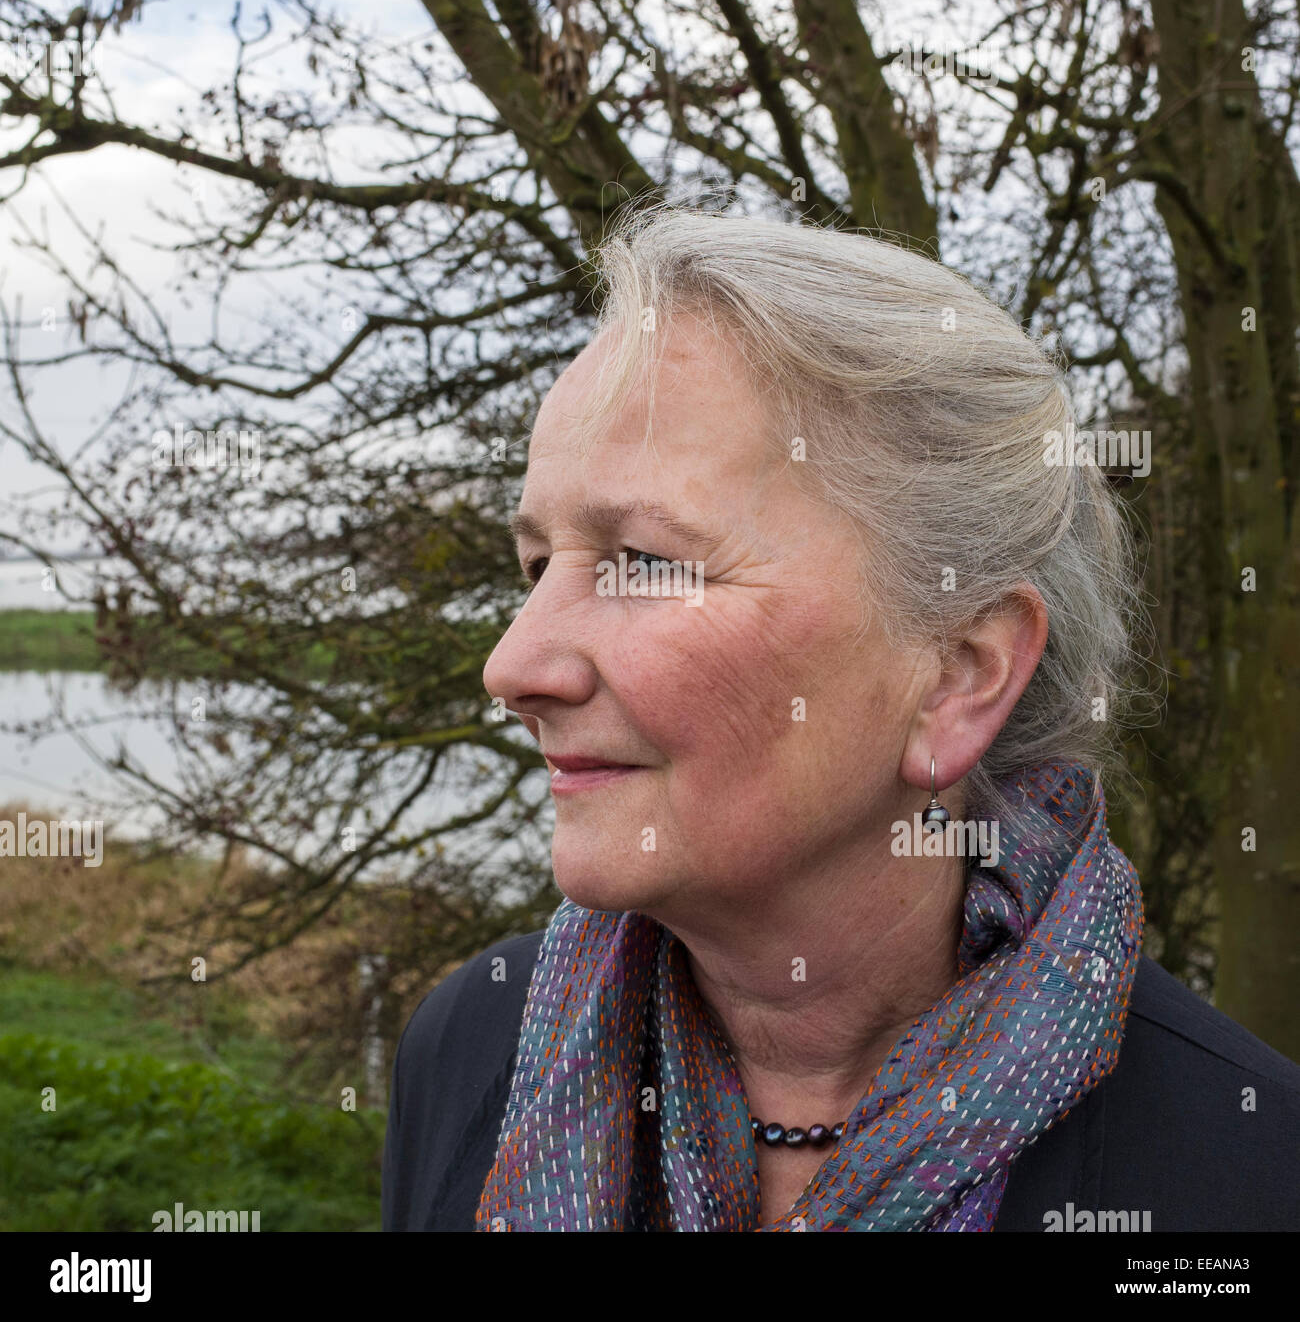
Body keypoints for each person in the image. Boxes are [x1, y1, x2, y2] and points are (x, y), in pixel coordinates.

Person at [382, 205, 1300, 1232]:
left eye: (644, 562)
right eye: (537, 565)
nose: (511, 666)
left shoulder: (1250, 1175)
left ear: (958, 673)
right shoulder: (472, 1050)